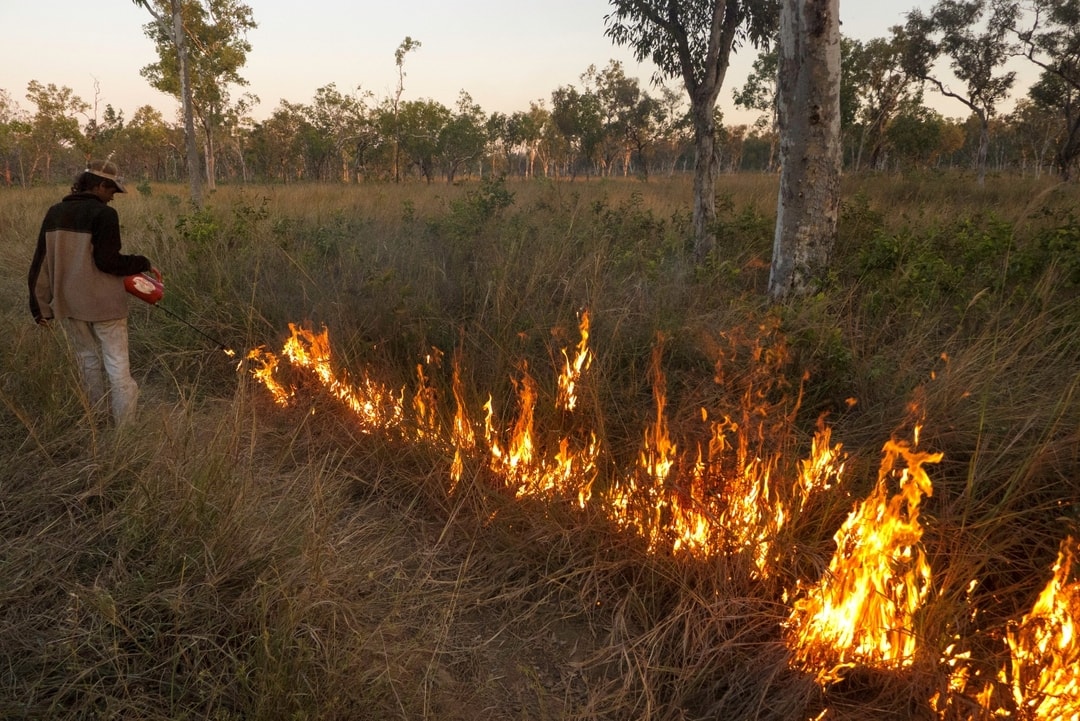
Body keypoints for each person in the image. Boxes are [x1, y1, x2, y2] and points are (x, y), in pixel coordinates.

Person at [28, 160, 154, 426]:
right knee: (117, 365)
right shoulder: (105, 215)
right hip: (105, 305)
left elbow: (40, 263)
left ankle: (97, 420)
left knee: (87, 361)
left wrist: (40, 308)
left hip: (70, 305)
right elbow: (108, 262)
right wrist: (143, 262)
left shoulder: (55, 213)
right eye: (111, 190)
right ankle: (126, 429)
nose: (112, 197)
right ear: (99, 185)